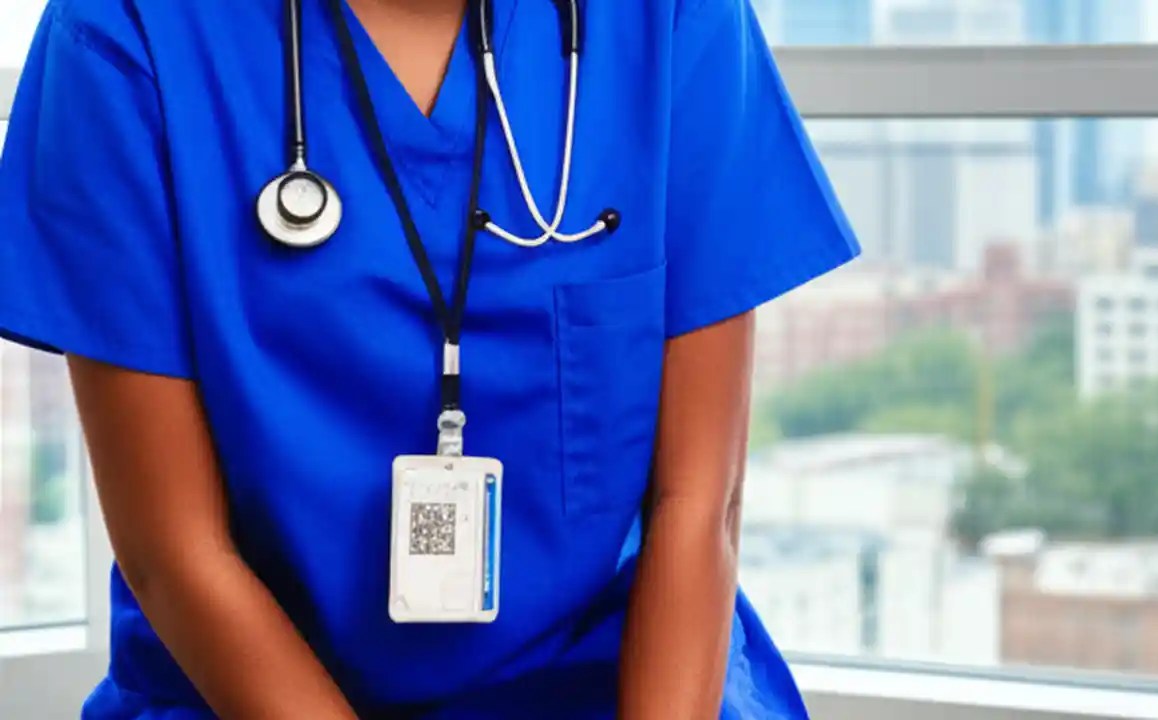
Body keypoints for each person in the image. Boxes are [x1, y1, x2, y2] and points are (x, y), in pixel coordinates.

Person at [0, 0, 858, 717]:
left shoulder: (667, 16)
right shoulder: (125, 30)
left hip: (615, 676)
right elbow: (171, 550)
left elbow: (697, 502)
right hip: (243, 689)